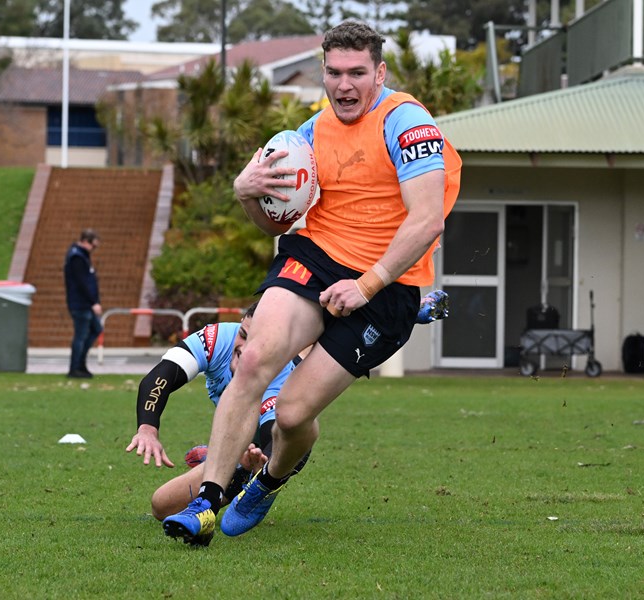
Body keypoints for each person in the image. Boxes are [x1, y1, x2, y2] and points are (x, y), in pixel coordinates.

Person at [160, 19, 462, 547]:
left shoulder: (408, 123)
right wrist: (247, 193)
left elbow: (427, 220)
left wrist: (366, 286)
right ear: (322, 72)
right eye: (334, 73)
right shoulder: (309, 134)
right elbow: (277, 222)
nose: (344, 85)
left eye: (357, 73)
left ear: (380, 72)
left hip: (387, 288)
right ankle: (206, 504)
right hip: (317, 257)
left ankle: (271, 480)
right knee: (252, 360)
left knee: (294, 415)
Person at [127, 292, 449, 534]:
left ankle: (407, 312)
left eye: (256, 340)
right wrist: (147, 428)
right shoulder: (220, 338)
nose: (244, 346)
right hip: (241, 445)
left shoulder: (281, 378)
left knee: (292, 422)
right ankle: (229, 463)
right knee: (162, 506)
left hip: (271, 447)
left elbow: (277, 438)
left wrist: (256, 465)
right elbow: (161, 376)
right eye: (243, 334)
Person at [63, 229, 103, 378]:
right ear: (86, 241)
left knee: (96, 329)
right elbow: (81, 283)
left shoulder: (82, 256)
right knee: (81, 335)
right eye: (93, 246)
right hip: (81, 304)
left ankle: (81, 363)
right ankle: (75, 367)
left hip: (85, 303)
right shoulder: (77, 257)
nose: (94, 249)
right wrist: (93, 302)